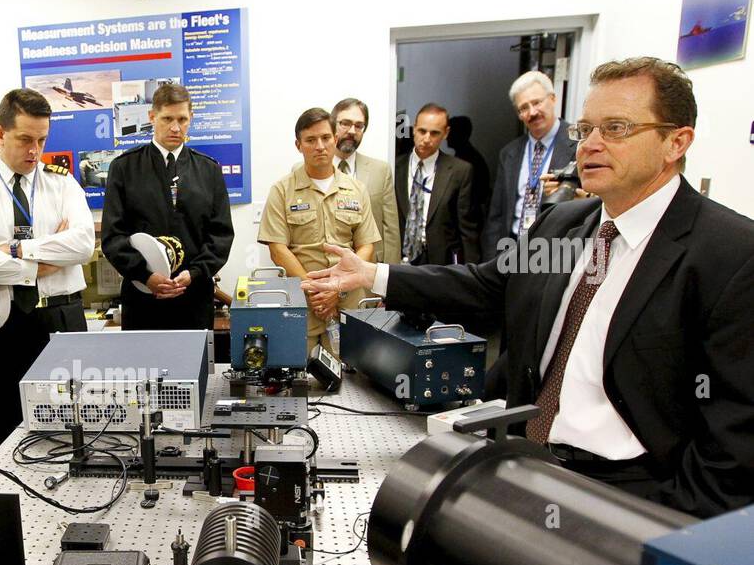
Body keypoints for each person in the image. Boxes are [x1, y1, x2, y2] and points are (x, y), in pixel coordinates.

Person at [306, 57, 754, 518]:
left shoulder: (729, 255)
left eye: (616, 128)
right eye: (585, 129)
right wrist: (373, 275)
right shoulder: (564, 226)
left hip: (629, 497)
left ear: (675, 142)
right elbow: (486, 286)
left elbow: (733, 449)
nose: (590, 145)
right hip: (525, 463)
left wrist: (661, 532)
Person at [0, 89, 94, 438]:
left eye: (42, 140)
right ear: (0, 134)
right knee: (9, 427)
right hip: (6, 323)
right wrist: (39, 265)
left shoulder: (61, 184)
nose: (35, 150)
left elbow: (82, 245)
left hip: (64, 316)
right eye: (25, 139)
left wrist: (17, 251)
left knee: (79, 422)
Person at [101, 83, 233, 331]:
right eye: (167, 119)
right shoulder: (124, 168)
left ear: (191, 118)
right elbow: (113, 236)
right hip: (142, 298)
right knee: (143, 370)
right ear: (152, 117)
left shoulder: (209, 170)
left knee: (193, 369)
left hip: (193, 299)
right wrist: (146, 276)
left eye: (182, 119)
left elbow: (221, 235)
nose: (175, 127)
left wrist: (193, 274)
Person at [257, 107, 379, 352]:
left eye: (325, 138)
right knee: (299, 378)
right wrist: (317, 291)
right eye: (311, 140)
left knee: (354, 379)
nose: (320, 146)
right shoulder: (282, 190)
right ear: (298, 145)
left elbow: (367, 245)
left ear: (335, 138)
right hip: (302, 304)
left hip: (349, 303)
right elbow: (278, 250)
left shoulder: (357, 189)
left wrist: (338, 288)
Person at [482, 71, 580, 260]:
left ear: (552, 99)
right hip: (511, 250)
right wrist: (491, 261)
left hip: (555, 253)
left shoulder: (578, 145)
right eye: (523, 108)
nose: (532, 112)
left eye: (536, 102)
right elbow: (496, 215)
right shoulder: (508, 154)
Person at [395, 104, 480, 265]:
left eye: (434, 133)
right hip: (401, 259)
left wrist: (471, 274)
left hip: (441, 261)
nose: (427, 139)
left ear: (446, 133)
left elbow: (468, 229)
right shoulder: (394, 168)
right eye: (422, 131)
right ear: (414, 129)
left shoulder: (459, 171)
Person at [332, 97, 400, 264]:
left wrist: (390, 278)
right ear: (332, 125)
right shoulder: (305, 169)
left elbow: (390, 230)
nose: (352, 131)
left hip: (369, 268)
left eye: (359, 126)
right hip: (326, 267)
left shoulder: (381, 171)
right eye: (345, 123)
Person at [445, 115, 492, 224]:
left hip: (466, 218)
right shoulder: (468, 156)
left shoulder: (467, 161)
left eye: (449, 132)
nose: (446, 137)